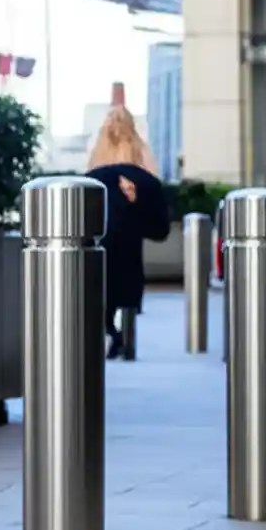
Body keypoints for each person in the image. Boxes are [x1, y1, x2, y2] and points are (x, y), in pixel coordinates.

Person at [85, 106, 171, 359]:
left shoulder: (96, 170)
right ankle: (127, 338)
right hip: (131, 245)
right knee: (129, 284)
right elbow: (158, 225)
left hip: (102, 244)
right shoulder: (143, 168)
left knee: (102, 287)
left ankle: (112, 331)